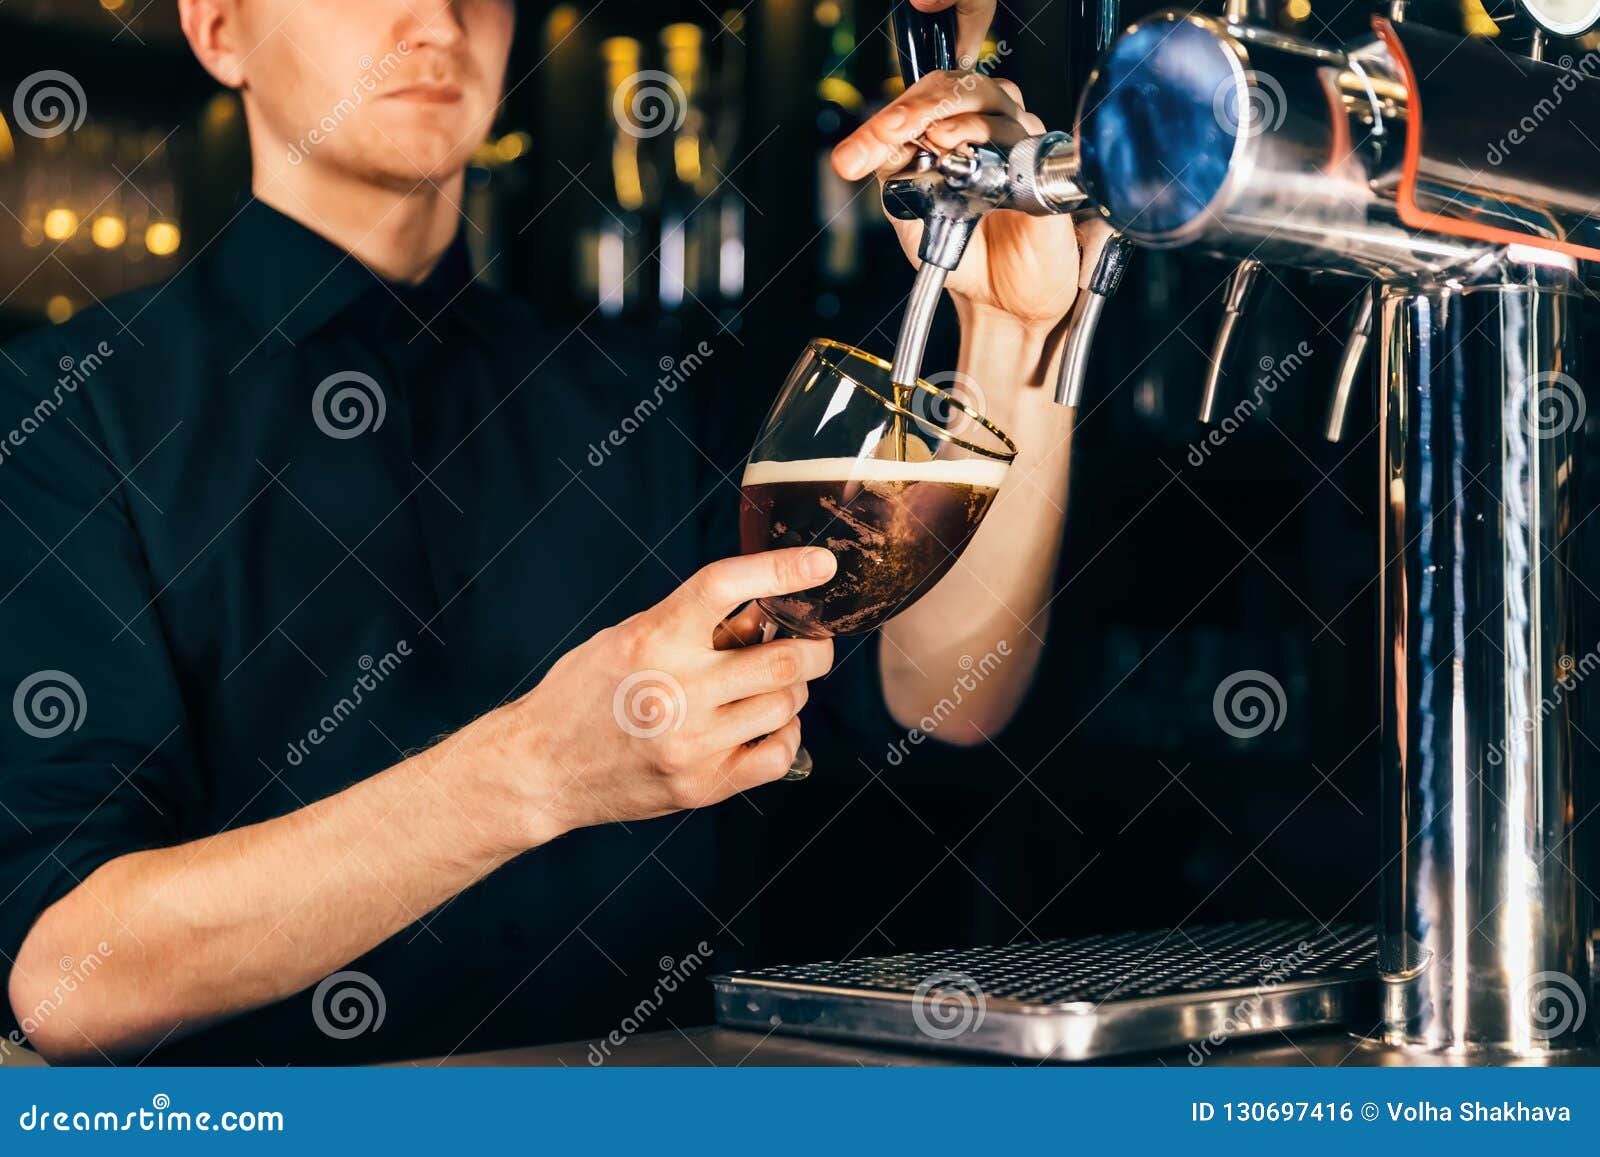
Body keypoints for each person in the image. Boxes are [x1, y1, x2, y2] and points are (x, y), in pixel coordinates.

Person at [0, 0, 1084, 1064]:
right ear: (216, 28)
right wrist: (533, 772)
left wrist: (1011, 329)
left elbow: (946, 690)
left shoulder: (641, 387)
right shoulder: (69, 412)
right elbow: (70, 979)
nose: (436, 18)